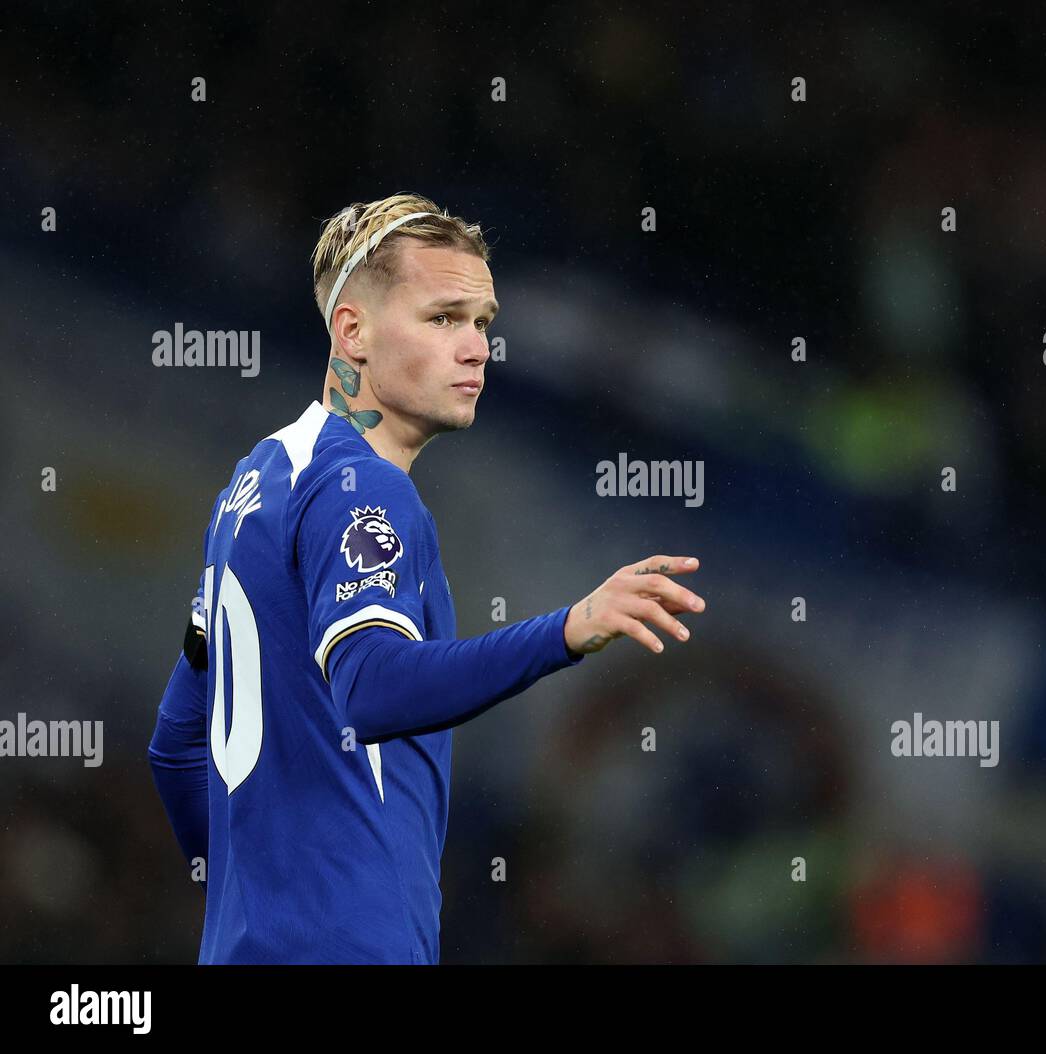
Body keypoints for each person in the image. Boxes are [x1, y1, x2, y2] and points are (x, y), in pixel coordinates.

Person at [147, 192, 706, 964]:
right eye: (443, 318)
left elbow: (175, 744)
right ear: (354, 331)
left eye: (482, 323)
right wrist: (567, 630)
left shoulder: (256, 482)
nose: (476, 348)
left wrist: (264, 906)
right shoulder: (364, 489)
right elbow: (371, 687)